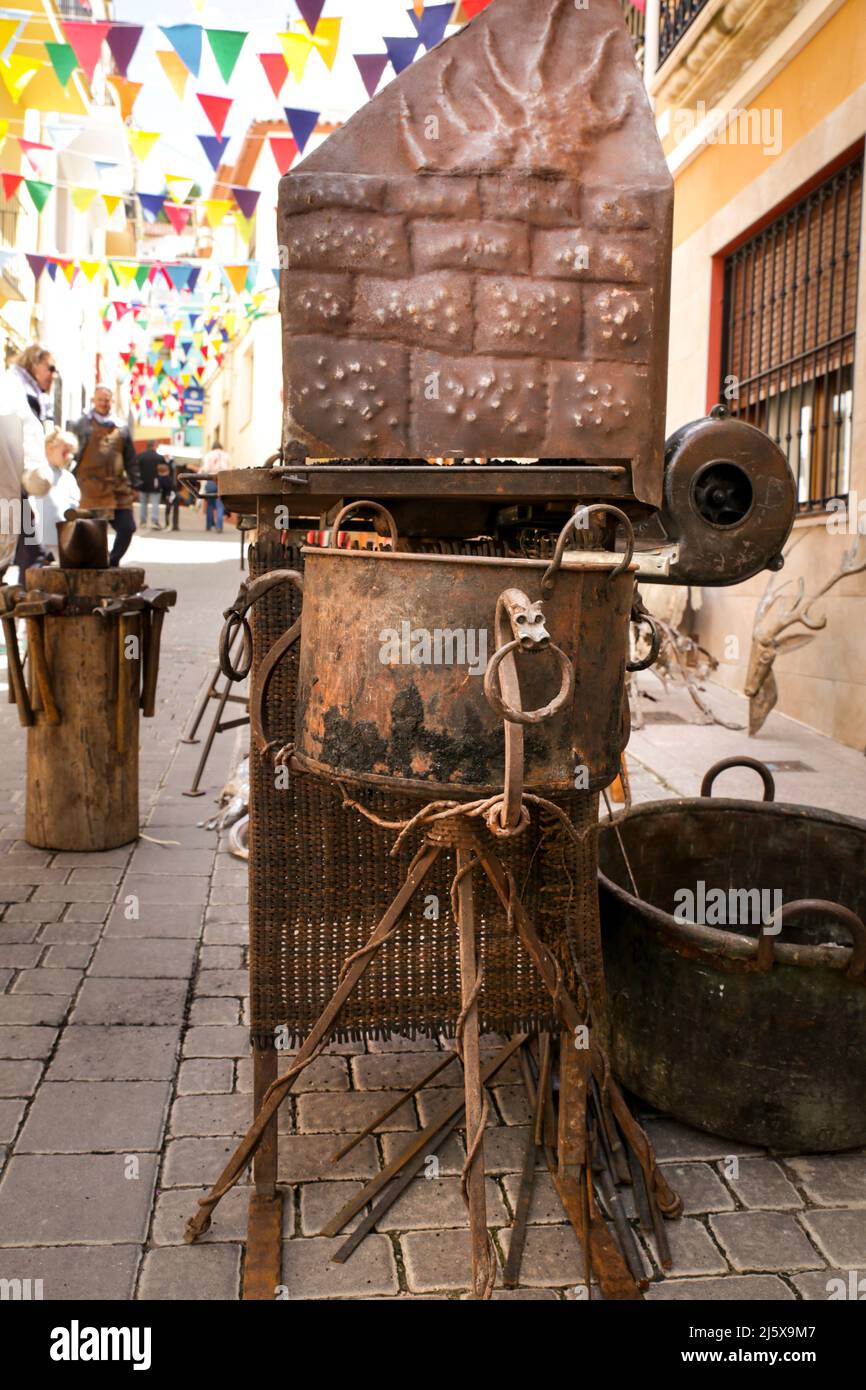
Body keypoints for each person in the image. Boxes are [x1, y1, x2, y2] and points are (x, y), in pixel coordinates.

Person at [0, 342, 56, 577]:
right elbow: (28, 446)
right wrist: (36, 476)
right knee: (31, 551)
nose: (53, 375)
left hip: (11, 490)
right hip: (10, 490)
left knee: (30, 550)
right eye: (50, 368)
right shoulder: (17, 391)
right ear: (34, 364)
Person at [72, 384, 140, 565]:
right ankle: (96, 566)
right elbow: (72, 454)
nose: (103, 403)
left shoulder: (122, 428)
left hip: (117, 487)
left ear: (112, 401)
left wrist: (135, 484)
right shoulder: (81, 425)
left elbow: (131, 459)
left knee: (127, 527)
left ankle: (112, 561)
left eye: (106, 400)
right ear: (94, 400)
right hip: (88, 488)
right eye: (100, 399)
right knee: (92, 532)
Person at [22, 427, 81, 562]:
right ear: (50, 448)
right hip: (36, 533)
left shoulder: (67, 477)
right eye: (65, 451)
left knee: (63, 567)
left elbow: (74, 501)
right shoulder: (38, 473)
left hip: (60, 533)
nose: (70, 457)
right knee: (32, 566)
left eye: (71, 453)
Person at [136, 442, 167, 530]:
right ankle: (154, 522)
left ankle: (143, 522)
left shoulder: (140, 456)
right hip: (155, 483)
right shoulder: (159, 458)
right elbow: (164, 470)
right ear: (154, 446)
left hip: (142, 483)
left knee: (143, 503)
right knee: (155, 504)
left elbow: (135, 469)